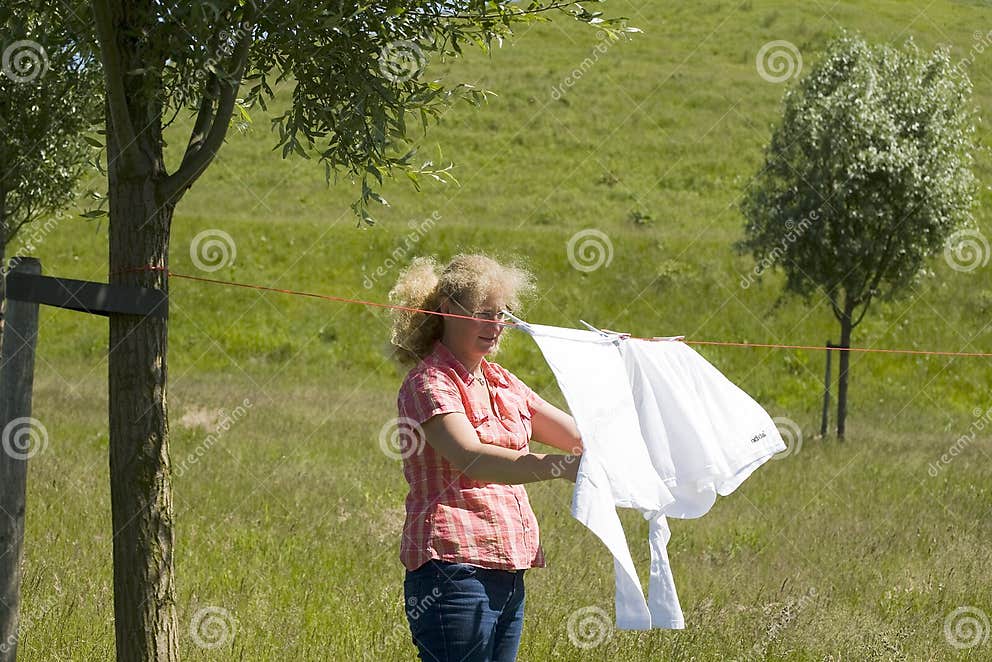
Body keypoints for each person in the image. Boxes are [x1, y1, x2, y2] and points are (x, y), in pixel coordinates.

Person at [388, 254, 583, 662]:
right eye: (483, 313)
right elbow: (471, 457)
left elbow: (577, 437)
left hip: (508, 572)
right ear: (447, 310)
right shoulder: (429, 382)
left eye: (502, 314)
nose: (495, 325)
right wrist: (559, 467)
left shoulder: (502, 381)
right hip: (451, 573)